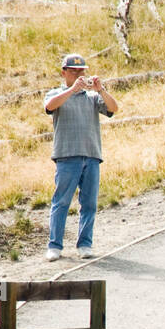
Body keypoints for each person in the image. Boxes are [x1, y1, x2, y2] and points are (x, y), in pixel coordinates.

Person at [43, 53, 118, 261]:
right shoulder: (56, 93)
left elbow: (113, 109)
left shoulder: (92, 98)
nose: (79, 75)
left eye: (81, 71)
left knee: (90, 204)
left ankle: (85, 244)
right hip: (67, 156)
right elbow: (50, 106)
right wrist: (72, 90)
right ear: (64, 72)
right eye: (74, 71)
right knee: (61, 202)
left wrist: (100, 89)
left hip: (92, 156)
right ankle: (54, 246)